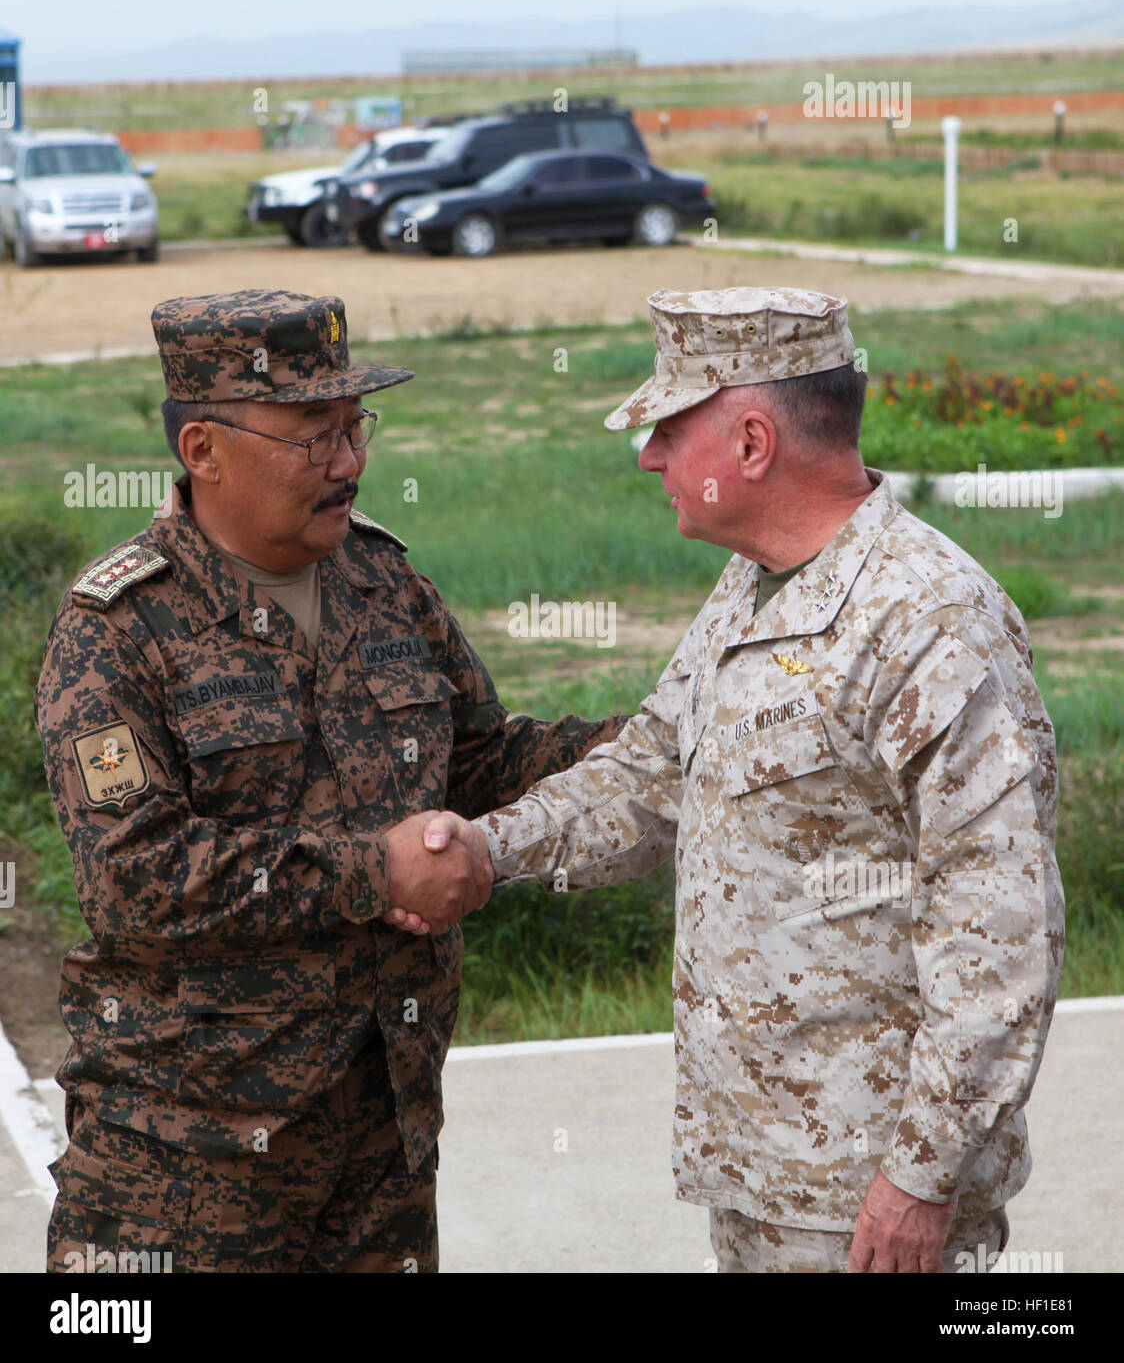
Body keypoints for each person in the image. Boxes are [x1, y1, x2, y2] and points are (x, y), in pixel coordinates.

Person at [407, 286, 1065, 1274]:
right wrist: (487, 847)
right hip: (764, 1180)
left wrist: (920, 1179)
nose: (648, 457)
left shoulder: (926, 622)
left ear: (751, 443)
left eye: (668, 429)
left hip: (868, 1207)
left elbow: (997, 932)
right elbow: (648, 777)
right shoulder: (756, 586)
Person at [35, 287, 626, 1274]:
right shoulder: (115, 631)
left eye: (356, 427)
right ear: (203, 451)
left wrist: (659, 740)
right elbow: (135, 879)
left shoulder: (385, 585)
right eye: (313, 436)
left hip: (382, 1141)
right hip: (184, 1170)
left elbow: (480, 758)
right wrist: (374, 873)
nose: (347, 461)